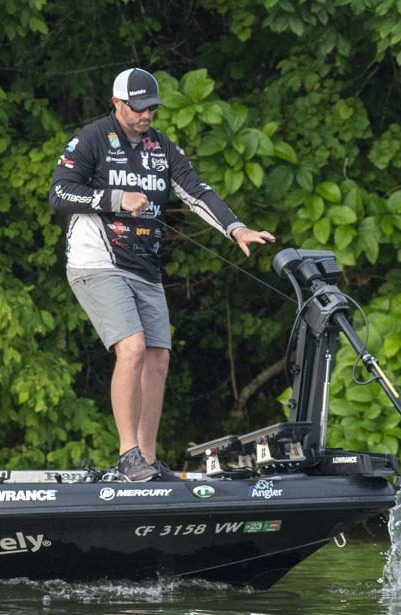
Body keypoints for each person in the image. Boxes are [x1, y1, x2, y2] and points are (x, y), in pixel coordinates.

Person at [49, 68, 275, 482]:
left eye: (151, 107)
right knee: (132, 348)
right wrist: (116, 198)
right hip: (96, 261)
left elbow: (197, 191)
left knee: (158, 357)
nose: (146, 115)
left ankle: (147, 462)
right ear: (117, 104)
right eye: (138, 108)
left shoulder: (161, 147)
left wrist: (236, 227)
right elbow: (60, 192)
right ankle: (127, 454)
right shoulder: (92, 138)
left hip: (144, 265)